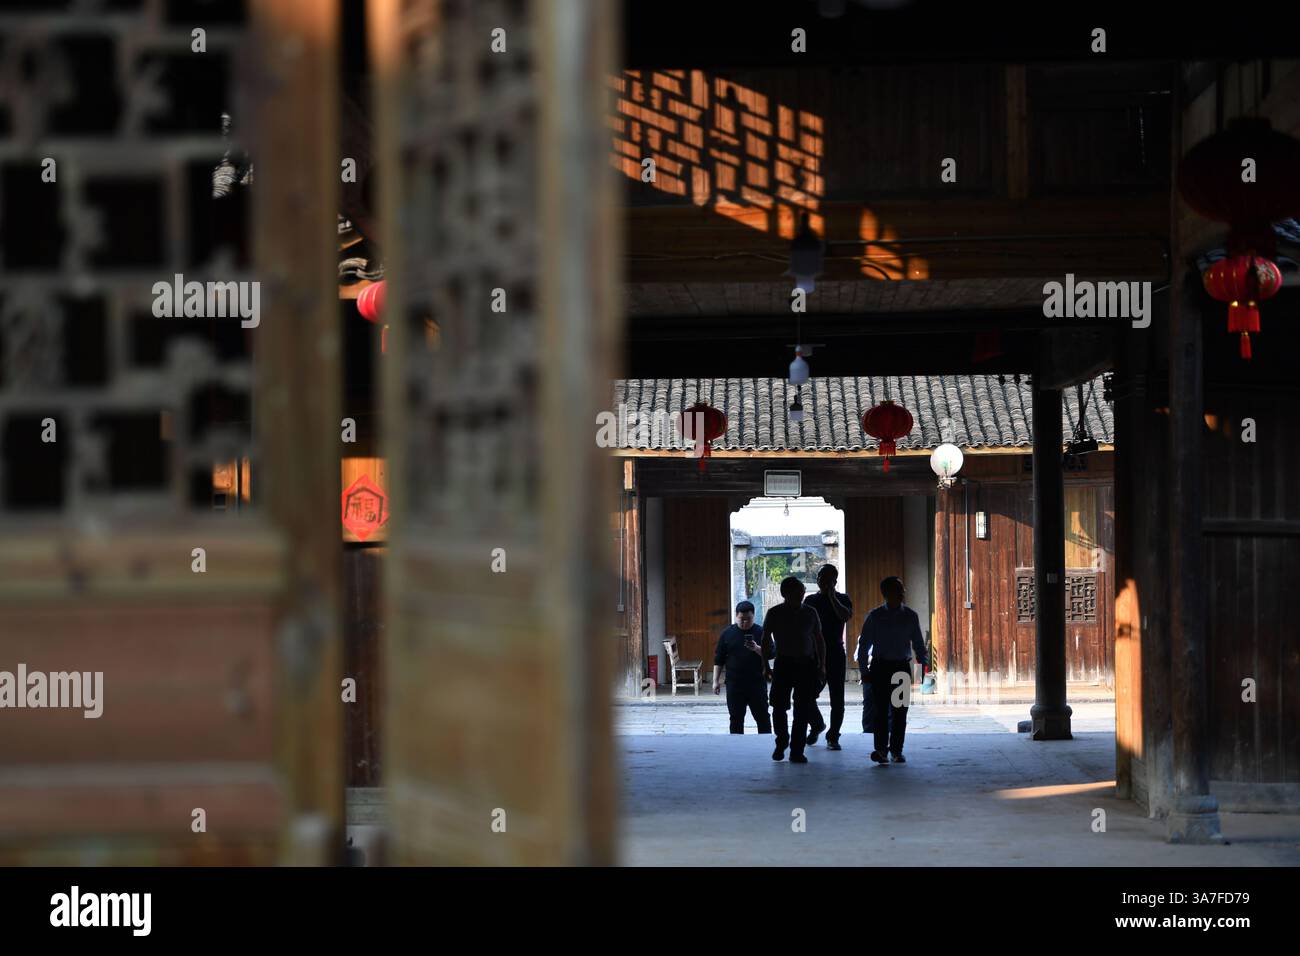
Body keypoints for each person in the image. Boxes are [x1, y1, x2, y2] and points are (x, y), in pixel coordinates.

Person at [857, 576, 928, 765]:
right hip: (880, 668)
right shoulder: (875, 616)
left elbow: (919, 644)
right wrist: (864, 671)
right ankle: (880, 750)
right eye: (898, 589)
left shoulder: (910, 616)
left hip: (900, 668)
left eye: (902, 589)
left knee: (900, 712)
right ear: (886, 593)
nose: (902, 592)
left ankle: (896, 750)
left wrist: (923, 666)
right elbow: (863, 646)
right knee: (879, 712)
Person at [760, 577, 825, 763]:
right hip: (783, 664)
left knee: (802, 709)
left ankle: (797, 750)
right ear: (784, 594)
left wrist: (822, 665)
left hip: (806, 664)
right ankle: (782, 741)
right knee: (779, 707)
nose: (801, 594)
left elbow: (819, 641)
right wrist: (765, 665)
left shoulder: (811, 613)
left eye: (802, 590)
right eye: (797, 591)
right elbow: (765, 640)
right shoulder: (774, 613)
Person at [802, 564, 852, 750]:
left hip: (836, 652)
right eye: (822, 578)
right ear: (817, 580)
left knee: (837, 698)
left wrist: (832, 598)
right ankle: (816, 725)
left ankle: (833, 737)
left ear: (835, 581)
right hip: (813, 654)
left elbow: (845, 616)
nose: (824, 581)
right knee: (805, 695)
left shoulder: (843, 598)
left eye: (829, 578)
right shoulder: (810, 600)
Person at [712, 601, 771, 734]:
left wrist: (757, 648)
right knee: (736, 718)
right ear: (736, 616)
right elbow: (719, 658)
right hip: (734, 684)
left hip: (757, 683)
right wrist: (715, 681)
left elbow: (772, 653)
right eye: (741, 619)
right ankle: (736, 746)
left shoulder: (761, 632)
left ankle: (765, 744)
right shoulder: (727, 633)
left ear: (753, 616)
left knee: (763, 718)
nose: (744, 622)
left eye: (748, 619)